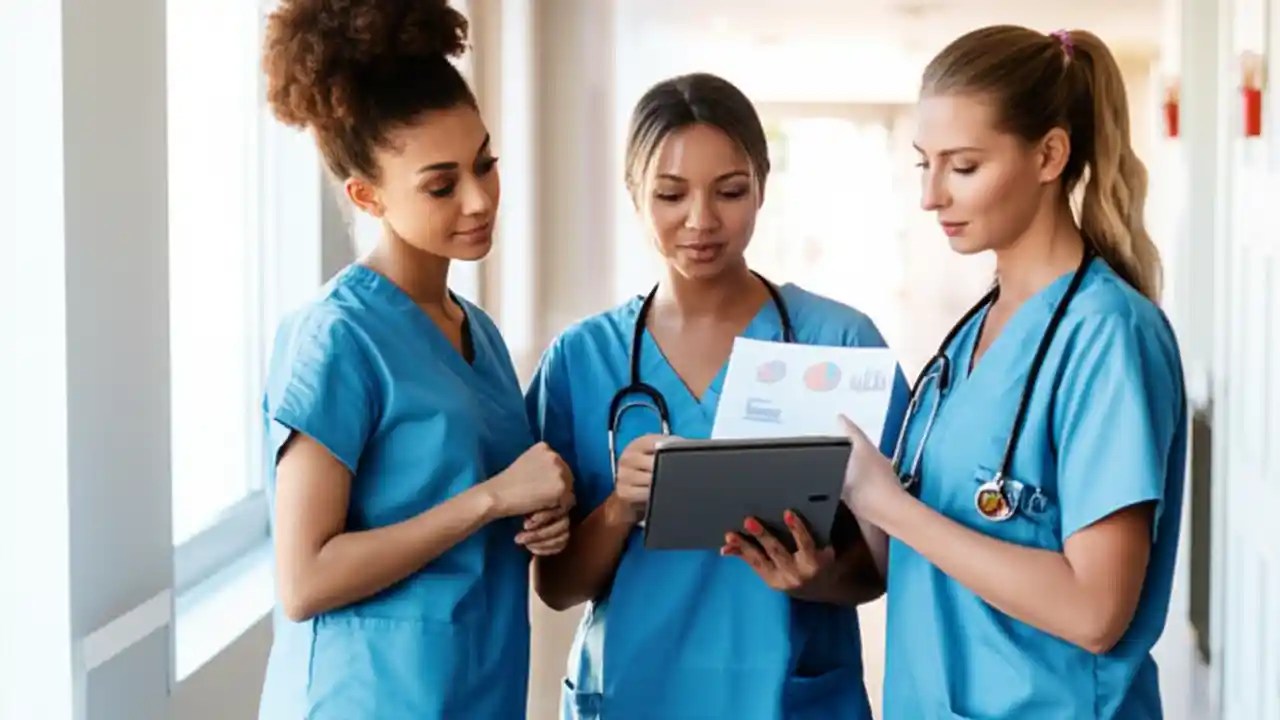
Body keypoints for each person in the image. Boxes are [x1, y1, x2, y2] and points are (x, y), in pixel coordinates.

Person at [525, 72, 910, 720]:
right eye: (670, 194)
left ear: (762, 181)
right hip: (631, 695)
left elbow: (890, 563)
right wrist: (621, 505)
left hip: (787, 699)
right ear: (633, 192)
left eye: (730, 191)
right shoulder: (580, 361)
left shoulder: (840, 343)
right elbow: (557, 587)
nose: (701, 221)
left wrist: (819, 580)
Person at [835, 26, 1188, 719]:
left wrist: (888, 505)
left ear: (1050, 154)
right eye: (923, 164)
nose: (932, 196)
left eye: (962, 166)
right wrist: (825, 570)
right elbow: (945, 551)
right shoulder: (972, 334)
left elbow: (1096, 610)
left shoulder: (1106, 335)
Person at [256, 2, 573, 718]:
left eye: (485, 164)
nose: (479, 199)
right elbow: (304, 579)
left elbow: (488, 499)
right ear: (367, 195)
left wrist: (534, 521)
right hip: (367, 699)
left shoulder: (477, 334)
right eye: (441, 184)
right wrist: (490, 499)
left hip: (474, 689)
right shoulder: (336, 338)